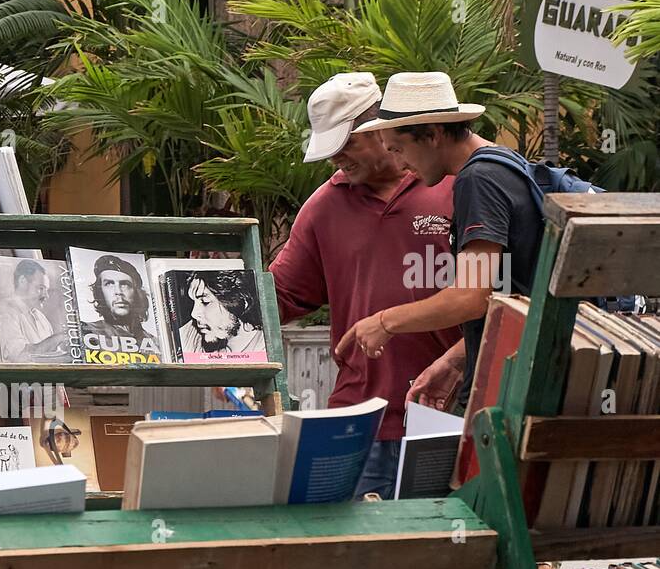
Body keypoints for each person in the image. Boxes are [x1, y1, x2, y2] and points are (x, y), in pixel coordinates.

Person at [270, 72, 460, 499]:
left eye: (345, 143)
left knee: (450, 553)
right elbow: (278, 297)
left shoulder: (455, 186)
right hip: (361, 419)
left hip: (451, 415)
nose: (335, 157)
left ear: (376, 126)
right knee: (358, 556)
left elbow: (499, 291)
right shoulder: (323, 208)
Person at [337, 71, 542, 414]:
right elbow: (512, 292)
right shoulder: (506, 164)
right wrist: (456, 360)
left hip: (512, 394)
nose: (400, 164)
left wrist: (385, 321)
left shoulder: (479, 181)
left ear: (432, 134)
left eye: (400, 149)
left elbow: (470, 296)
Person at [81, 255, 160, 358]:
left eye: (125, 284)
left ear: (137, 293)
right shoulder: (86, 332)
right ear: (100, 292)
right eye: (109, 284)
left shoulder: (156, 343)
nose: (118, 292)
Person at [177, 272, 267, 357]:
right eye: (193, 302)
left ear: (241, 303)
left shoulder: (265, 346)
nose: (194, 314)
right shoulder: (191, 333)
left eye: (205, 302)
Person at [0, 260, 58, 362]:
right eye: (41, 288)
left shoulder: (42, 319)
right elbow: (19, 356)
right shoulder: (4, 312)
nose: (46, 296)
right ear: (22, 281)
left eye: (46, 290)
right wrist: (57, 339)